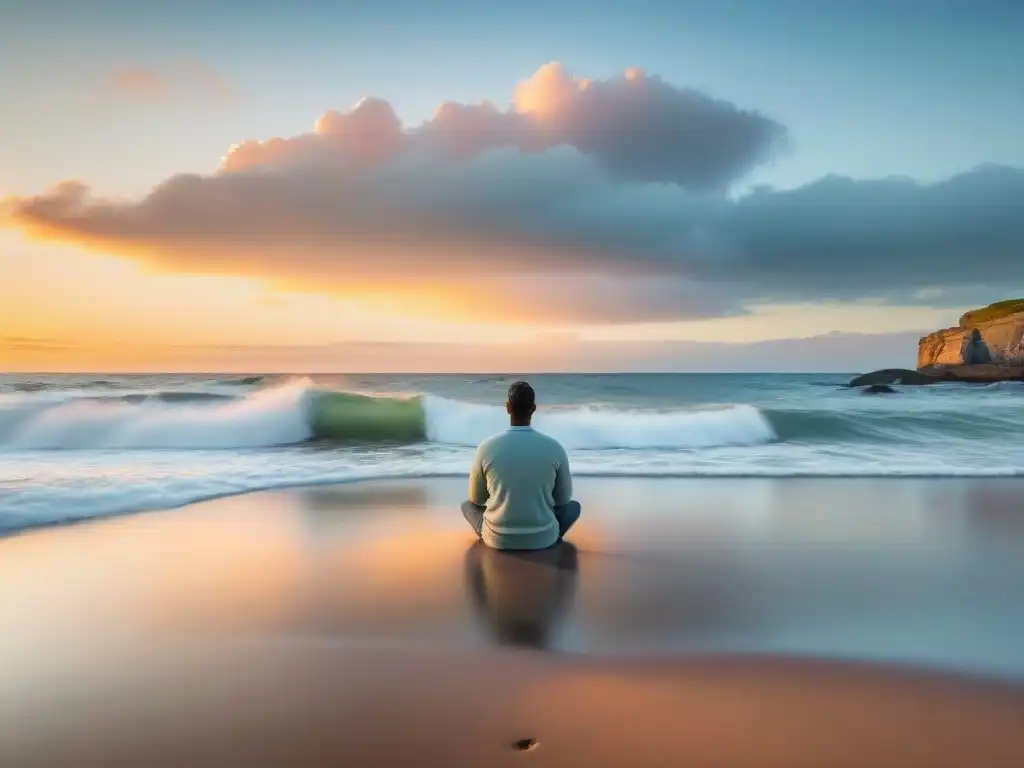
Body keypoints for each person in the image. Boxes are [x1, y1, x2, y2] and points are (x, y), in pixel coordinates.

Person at [461, 381, 581, 550]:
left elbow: (476, 499)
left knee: (467, 505)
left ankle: (497, 529)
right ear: (533, 408)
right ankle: (543, 530)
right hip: (544, 539)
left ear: (508, 407)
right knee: (574, 507)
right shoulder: (555, 447)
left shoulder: (486, 447)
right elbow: (562, 500)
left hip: (497, 539)